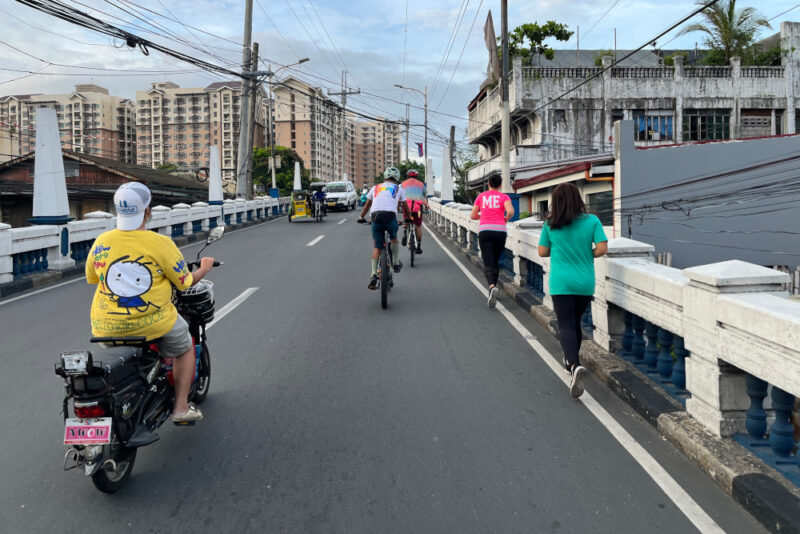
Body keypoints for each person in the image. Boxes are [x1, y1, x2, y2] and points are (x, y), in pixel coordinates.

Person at [86, 182, 215, 423]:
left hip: (105, 326)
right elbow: (185, 283)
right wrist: (204, 268)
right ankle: (180, 407)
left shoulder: (102, 241)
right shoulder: (160, 243)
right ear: (147, 211)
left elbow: (93, 277)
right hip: (153, 323)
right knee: (185, 348)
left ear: (118, 211)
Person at [537, 182, 608, 398]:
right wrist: (587, 254)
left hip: (561, 282)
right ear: (578, 199)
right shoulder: (593, 221)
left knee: (566, 324)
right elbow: (602, 248)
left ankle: (573, 363)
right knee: (575, 322)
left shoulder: (550, 223)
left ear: (555, 203)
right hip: (584, 282)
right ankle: (572, 361)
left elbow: (542, 252)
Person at [357, 166, 412, 290]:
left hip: (375, 217)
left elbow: (367, 205)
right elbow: (405, 207)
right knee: (393, 238)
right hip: (390, 217)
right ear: (397, 178)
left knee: (378, 246)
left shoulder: (375, 188)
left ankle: (373, 275)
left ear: (385, 177)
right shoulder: (399, 188)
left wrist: (361, 216)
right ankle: (396, 263)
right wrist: (408, 218)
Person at [470, 174, 514, 308]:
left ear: (488, 183)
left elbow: (473, 215)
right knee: (495, 260)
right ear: (500, 185)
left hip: (485, 231)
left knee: (488, 261)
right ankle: (493, 288)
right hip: (500, 231)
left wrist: (483, 215)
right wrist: (505, 218)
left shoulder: (481, 196)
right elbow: (510, 211)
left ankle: (492, 286)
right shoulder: (504, 197)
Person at [402, 169, 424, 255]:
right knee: (418, 226)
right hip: (417, 209)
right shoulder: (421, 184)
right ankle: (418, 247)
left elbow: (400, 196)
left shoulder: (402, 184)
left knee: (406, 220)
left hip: (406, 207)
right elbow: (424, 196)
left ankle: (404, 232)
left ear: (408, 176)